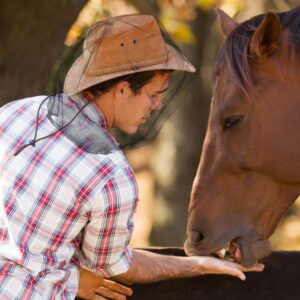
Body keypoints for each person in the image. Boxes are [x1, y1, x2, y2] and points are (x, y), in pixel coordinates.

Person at [0, 14, 264, 300]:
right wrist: (197, 265)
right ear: (123, 88)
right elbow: (113, 267)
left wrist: (65, 275)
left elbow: (24, 242)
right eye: (153, 94)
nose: (158, 105)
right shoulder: (110, 174)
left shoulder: (18, 112)